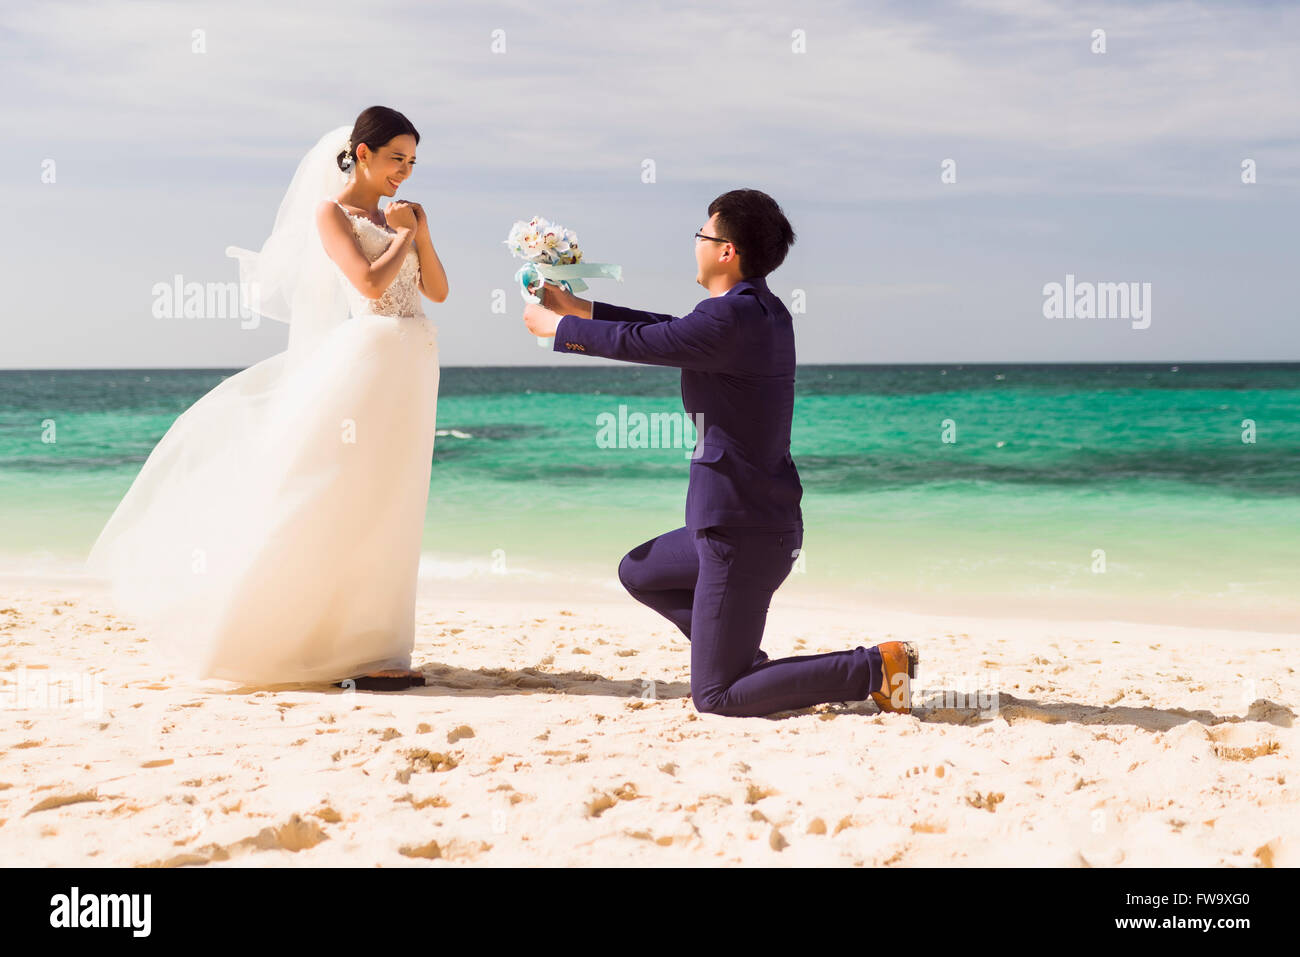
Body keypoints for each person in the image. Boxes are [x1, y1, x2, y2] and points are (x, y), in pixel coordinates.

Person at [86, 106, 447, 689]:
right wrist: (404, 234)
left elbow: (437, 289)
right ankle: (290, 637)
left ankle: (380, 651)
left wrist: (420, 232)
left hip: (413, 363)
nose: (404, 171)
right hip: (371, 362)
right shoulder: (330, 214)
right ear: (362, 154)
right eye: (394, 158)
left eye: (411, 161)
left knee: (393, 501)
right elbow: (369, 283)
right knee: (337, 493)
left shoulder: (400, 216)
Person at [523, 188, 918, 717]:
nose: (695, 246)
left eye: (701, 235)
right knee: (640, 571)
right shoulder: (755, 312)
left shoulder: (735, 319)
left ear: (726, 250)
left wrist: (562, 330)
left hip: (744, 531)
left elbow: (648, 342)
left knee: (716, 697)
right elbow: (667, 330)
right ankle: (738, 656)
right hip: (737, 522)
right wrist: (581, 309)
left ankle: (876, 666)